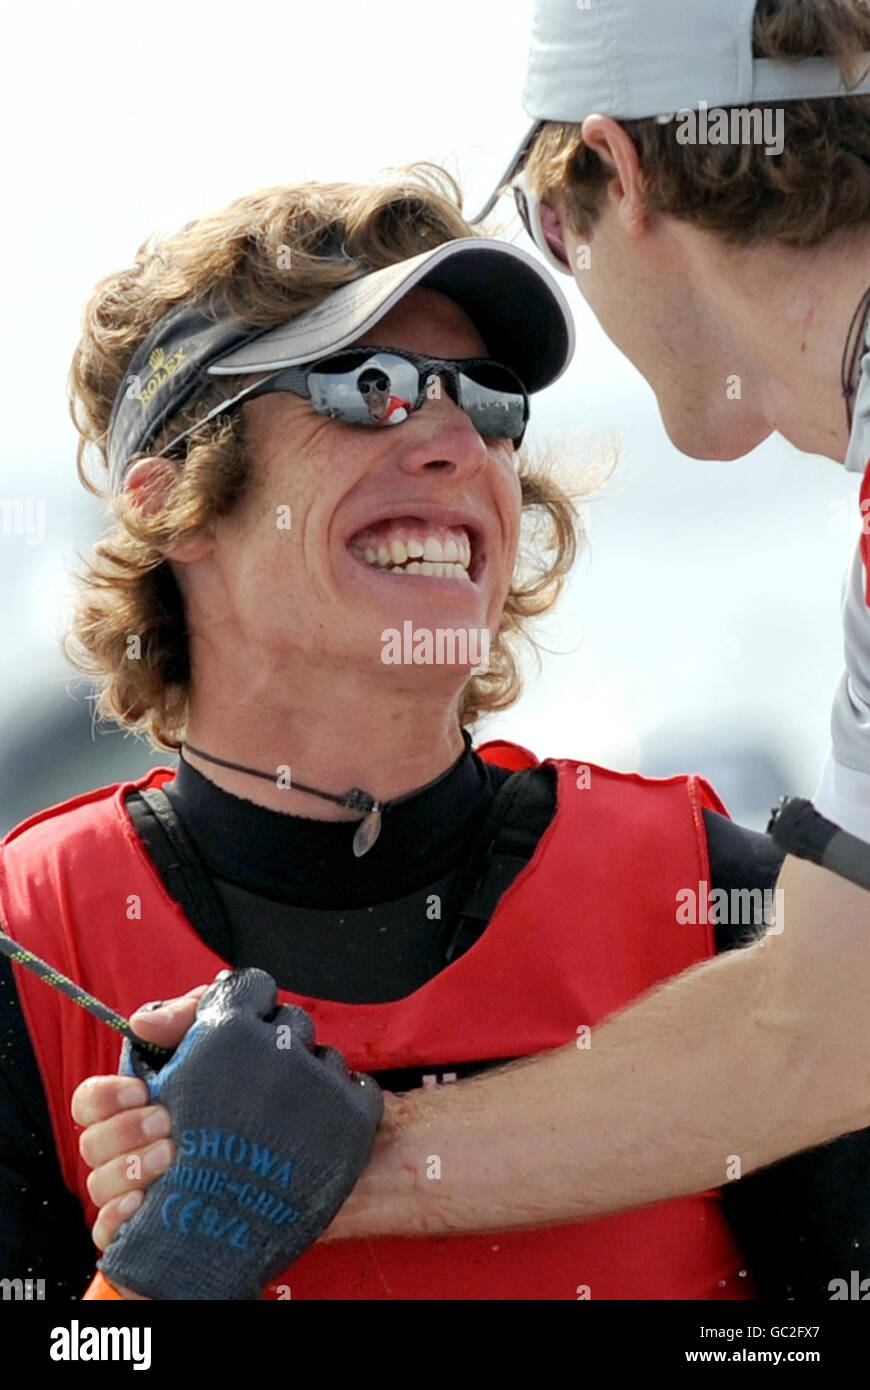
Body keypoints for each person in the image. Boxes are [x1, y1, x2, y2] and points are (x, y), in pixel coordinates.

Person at [74, 0, 870, 1296]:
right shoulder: (29, 941)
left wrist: (283, 1184)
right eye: (367, 387)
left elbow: (821, 1031)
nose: (454, 439)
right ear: (166, 498)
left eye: (488, 398)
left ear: (617, 169)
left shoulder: (713, 893)